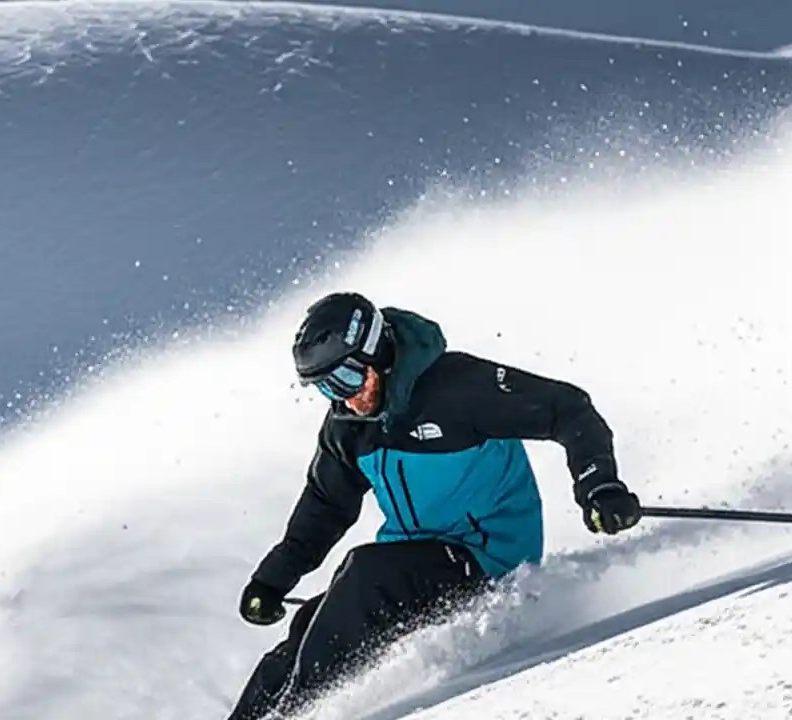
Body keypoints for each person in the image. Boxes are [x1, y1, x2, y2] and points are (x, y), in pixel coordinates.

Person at [226, 292, 643, 720]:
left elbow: (567, 409)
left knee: (363, 578)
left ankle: (298, 714)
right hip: (415, 562)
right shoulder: (348, 428)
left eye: (347, 379)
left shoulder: (455, 389)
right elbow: (324, 506)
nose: (345, 398)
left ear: (377, 353)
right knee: (310, 625)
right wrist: (272, 581)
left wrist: (600, 486)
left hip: (487, 556)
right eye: (326, 388)